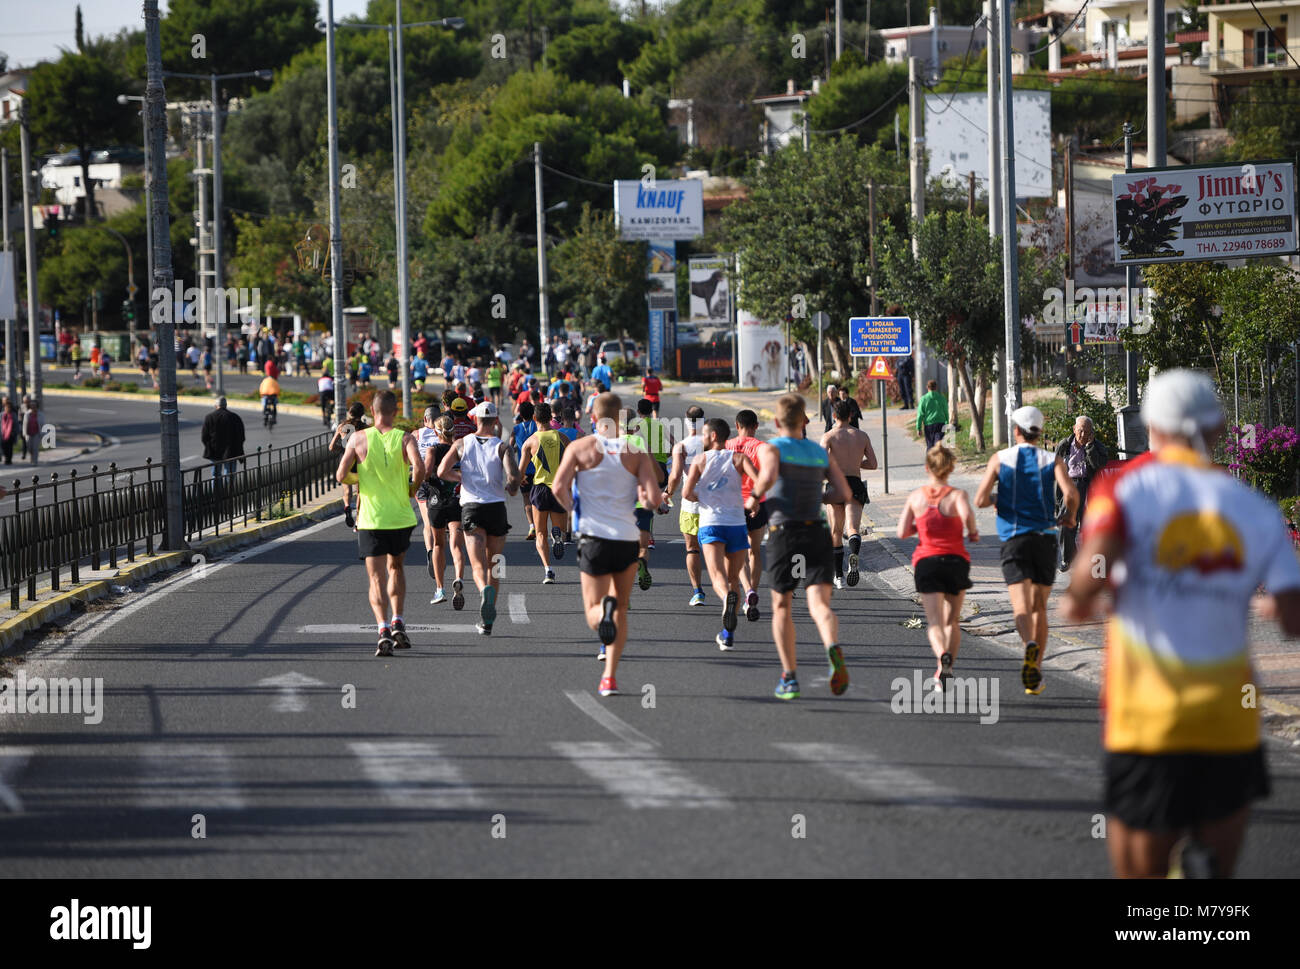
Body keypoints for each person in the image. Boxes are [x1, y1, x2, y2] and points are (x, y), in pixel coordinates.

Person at [1062, 369, 1300, 879]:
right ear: (1216, 430)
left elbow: (1087, 580)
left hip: (1145, 718)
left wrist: (1086, 598)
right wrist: (1263, 607)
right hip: (1229, 720)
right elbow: (1294, 614)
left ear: (1151, 425)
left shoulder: (1124, 491)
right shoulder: (1255, 508)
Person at [552, 391, 664, 694]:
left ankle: (603, 616)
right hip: (627, 538)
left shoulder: (579, 448)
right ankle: (609, 677)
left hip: (593, 537)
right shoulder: (635, 450)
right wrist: (645, 498)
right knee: (622, 608)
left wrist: (574, 510)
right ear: (619, 418)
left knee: (593, 608)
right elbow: (653, 499)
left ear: (592, 418)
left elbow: (558, 486)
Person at [746, 394, 852, 700]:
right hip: (817, 532)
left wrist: (754, 497)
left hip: (785, 532)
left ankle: (790, 677)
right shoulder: (819, 453)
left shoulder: (773, 448)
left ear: (777, 422)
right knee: (820, 604)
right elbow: (842, 492)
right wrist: (817, 497)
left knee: (782, 606)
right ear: (803, 421)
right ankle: (832, 648)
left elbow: (766, 477)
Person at [974, 405, 1079, 696]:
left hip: (1014, 539)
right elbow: (1071, 493)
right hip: (1045, 539)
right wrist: (1069, 517)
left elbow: (980, 499)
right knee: (1039, 608)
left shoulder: (1000, 459)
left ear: (1015, 430)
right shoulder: (1052, 459)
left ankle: (1028, 647)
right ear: (1040, 432)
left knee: (1021, 607)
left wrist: (999, 495)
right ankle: (1036, 668)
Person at [335, 390, 424, 656]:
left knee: (375, 577)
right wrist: (411, 488)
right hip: (400, 517)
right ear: (395, 411)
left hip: (370, 519)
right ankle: (398, 620)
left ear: (372, 412)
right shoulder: (404, 438)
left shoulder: (359, 438)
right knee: (396, 568)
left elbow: (341, 475)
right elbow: (419, 467)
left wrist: (358, 480)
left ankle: (383, 628)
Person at [896, 444, 978, 692]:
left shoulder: (916, 497)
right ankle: (948, 666)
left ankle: (941, 654)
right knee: (952, 621)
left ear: (926, 468)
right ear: (951, 468)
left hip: (927, 562)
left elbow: (901, 532)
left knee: (934, 623)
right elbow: (967, 518)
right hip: (955, 562)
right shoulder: (957, 495)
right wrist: (972, 533)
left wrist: (918, 528)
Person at [437, 401, 521, 635]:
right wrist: (512, 488)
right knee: (494, 563)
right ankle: (488, 619)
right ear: (495, 421)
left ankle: (484, 591)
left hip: (471, 507)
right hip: (496, 508)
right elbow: (513, 476)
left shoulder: (462, 443)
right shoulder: (502, 446)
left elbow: (441, 470)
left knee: (477, 565)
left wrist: (461, 477)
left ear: (476, 420)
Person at [684, 417, 759, 650]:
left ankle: (727, 600)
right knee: (733, 579)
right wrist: (754, 499)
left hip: (711, 523)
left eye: (705, 434)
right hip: (736, 524)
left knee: (717, 577)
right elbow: (760, 480)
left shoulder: (700, 460)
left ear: (714, 436)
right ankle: (727, 634)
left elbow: (686, 493)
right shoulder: (739, 458)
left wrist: (703, 497)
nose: (702, 438)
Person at [821, 399, 878, 589]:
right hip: (855, 484)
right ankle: (854, 555)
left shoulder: (828, 436)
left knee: (836, 532)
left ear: (834, 416)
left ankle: (839, 577)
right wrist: (855, 463)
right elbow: (873, 464)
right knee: (852, 528)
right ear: (851, 415)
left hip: (836, 485)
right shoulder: (862, 436)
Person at [419, 412, 469, 609]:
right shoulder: (461, 449)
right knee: (457, 545)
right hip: (458, 500)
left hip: (436, 501)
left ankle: (440, 589)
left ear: (435, 431)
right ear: (453, 430)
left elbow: (427, 473)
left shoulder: (432, 450)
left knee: (438, 544)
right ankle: (459, 578)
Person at [519, 403, 570, 584]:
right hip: (559, 490)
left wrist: (520, 480)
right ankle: (557, 536)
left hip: (540, 489)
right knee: (562, 532)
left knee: (540, 533)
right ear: (550, 418)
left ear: (535, 419)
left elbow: (520, 471)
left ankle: (548, 571)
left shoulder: (530, 442)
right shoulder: (563, 438)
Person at [725, 410, 767, 623]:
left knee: (737, 552)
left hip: (733, 505)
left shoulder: (727, 446)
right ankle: (753, 592)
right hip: (757, 502)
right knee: (755, 551)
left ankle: (748, 590)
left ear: (736, 424)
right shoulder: (761, 447)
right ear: (756, 426)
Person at [664, 405, 708, 606]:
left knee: (692, 550)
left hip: (691, 506)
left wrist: (668, 493)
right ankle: (729, 589)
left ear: (686, 421)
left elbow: (675, 475)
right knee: (722, 549)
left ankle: (698, 592)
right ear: (704, 421)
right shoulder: (715, 443)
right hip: (716, 505)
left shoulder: (681, 446)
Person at [1055, 415, 1109, 571]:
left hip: (1088, 486)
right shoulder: (1064, 445)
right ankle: (1068, 558)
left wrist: (1090, 447)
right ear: (1074, 429)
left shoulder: (1098, 447)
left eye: (1087, 432)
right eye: (1080, 431)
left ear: (1092, 433)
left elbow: (1098, 465)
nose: (1083, 435)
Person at [330, 402, 369, 529]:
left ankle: (347, 507)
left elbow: (331, 447)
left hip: (345, 459)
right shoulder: (366, 428)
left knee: (347, 490)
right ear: (362, 413)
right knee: (360, 492)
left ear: (350, 412)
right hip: (360, 460)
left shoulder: (342, 426)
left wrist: (342, 448)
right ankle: (358, 520)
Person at [511, 400, 539, 541]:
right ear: (533, 413)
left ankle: (531, 526)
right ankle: (540, 526)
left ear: (520, 414)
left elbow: (510, 448)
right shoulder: (537, 426)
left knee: (526, 498)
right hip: (538, 468)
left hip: (523, 469)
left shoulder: (516, 429)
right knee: (538, 498)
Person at [201, 397, 246, 478]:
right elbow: (241, 436)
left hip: (214, 451)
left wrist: (209, 447)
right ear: (226, 405)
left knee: (216, 474)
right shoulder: (235, 417)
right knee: (230, 473)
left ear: (215, 405)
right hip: (231, 451)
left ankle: (216, 490)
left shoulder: (209, 417)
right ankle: (229, 490)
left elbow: (204, 437)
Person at [916, 379, 949, 449]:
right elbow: (946, 411)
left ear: (927, 387)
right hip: (940, 423)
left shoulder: (923, 399)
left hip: (929, 425)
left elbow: (920, 414)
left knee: (930, 445)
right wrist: (947, 422)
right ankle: (939, 457)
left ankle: (931, 458)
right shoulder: (941, 398)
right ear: (936, 387)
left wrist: (918, 427)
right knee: (939, 443)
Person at [19, 395, 41, 466]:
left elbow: (43, 424)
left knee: (35, 448)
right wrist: (24, 433)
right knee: (29, 448)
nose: (33, 407)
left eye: (34, 406)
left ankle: (35, 461)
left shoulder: (40, 414)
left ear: (37, 406)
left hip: (36, 433)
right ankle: (32, 457)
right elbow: (24, 424)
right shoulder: (27, 414)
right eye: (32, 406)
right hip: (28, 433)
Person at [0, 399, 18, 465]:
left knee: (10, 448)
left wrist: (14, 433)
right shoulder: (2, 415)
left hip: (11, 434)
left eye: (9, 407)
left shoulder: (13, 415)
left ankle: (8, 459)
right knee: (3, 447)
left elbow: (16, 425)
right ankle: (6, 457)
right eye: (6, 407)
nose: (7, 409)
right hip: (3, 434)